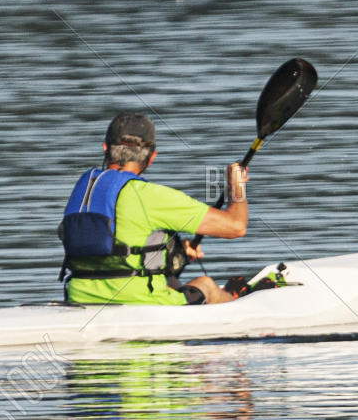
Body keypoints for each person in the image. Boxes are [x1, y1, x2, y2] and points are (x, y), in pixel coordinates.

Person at [59, 112, 250, 306]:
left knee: (172, 282)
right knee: (207, 285)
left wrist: (176, 253)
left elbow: (111, 244)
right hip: (138, 302)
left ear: (106, 148)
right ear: (152, 158)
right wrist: (237, 187)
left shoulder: (84, 188)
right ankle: (242, 305)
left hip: (78, 298)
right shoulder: (151, 195)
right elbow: (236, 226)